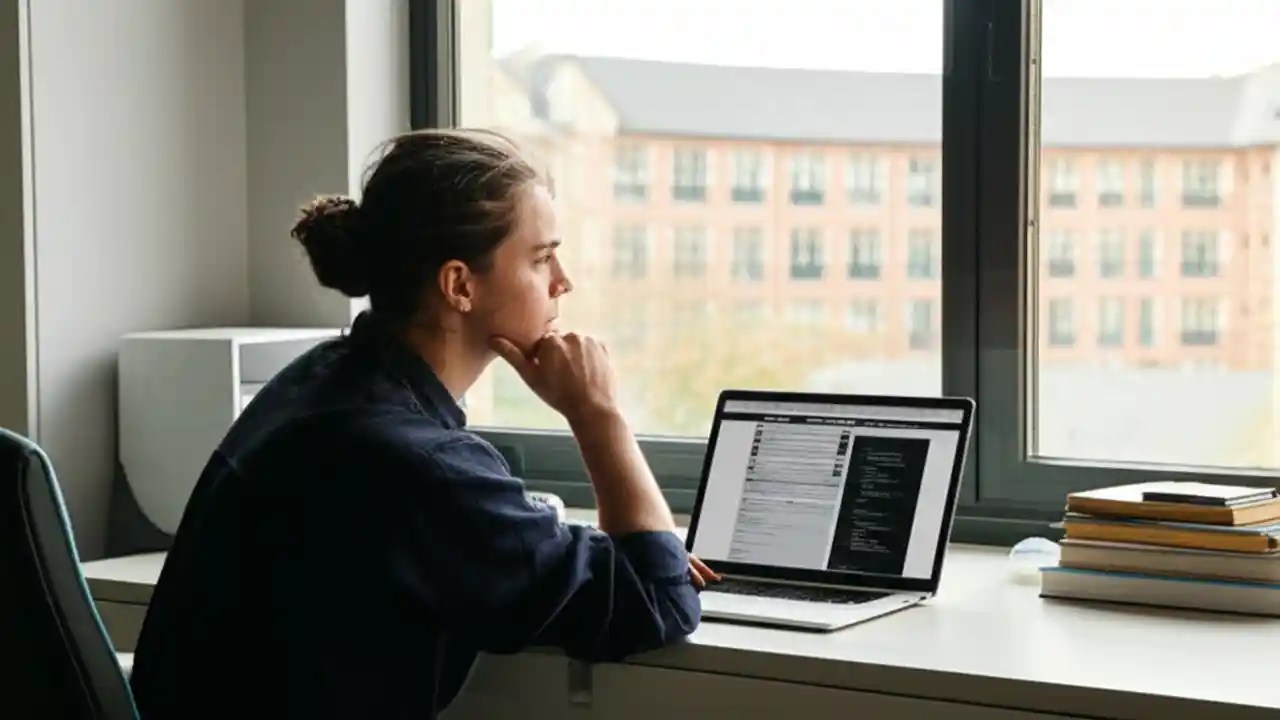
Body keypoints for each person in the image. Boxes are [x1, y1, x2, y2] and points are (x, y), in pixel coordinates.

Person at [128, 128, 718, 719]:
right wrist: (597, 413)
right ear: (459, 285)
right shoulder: (413, 461)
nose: (563, 280)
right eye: (541, 258)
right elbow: (659, 601)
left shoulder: (323, 382)